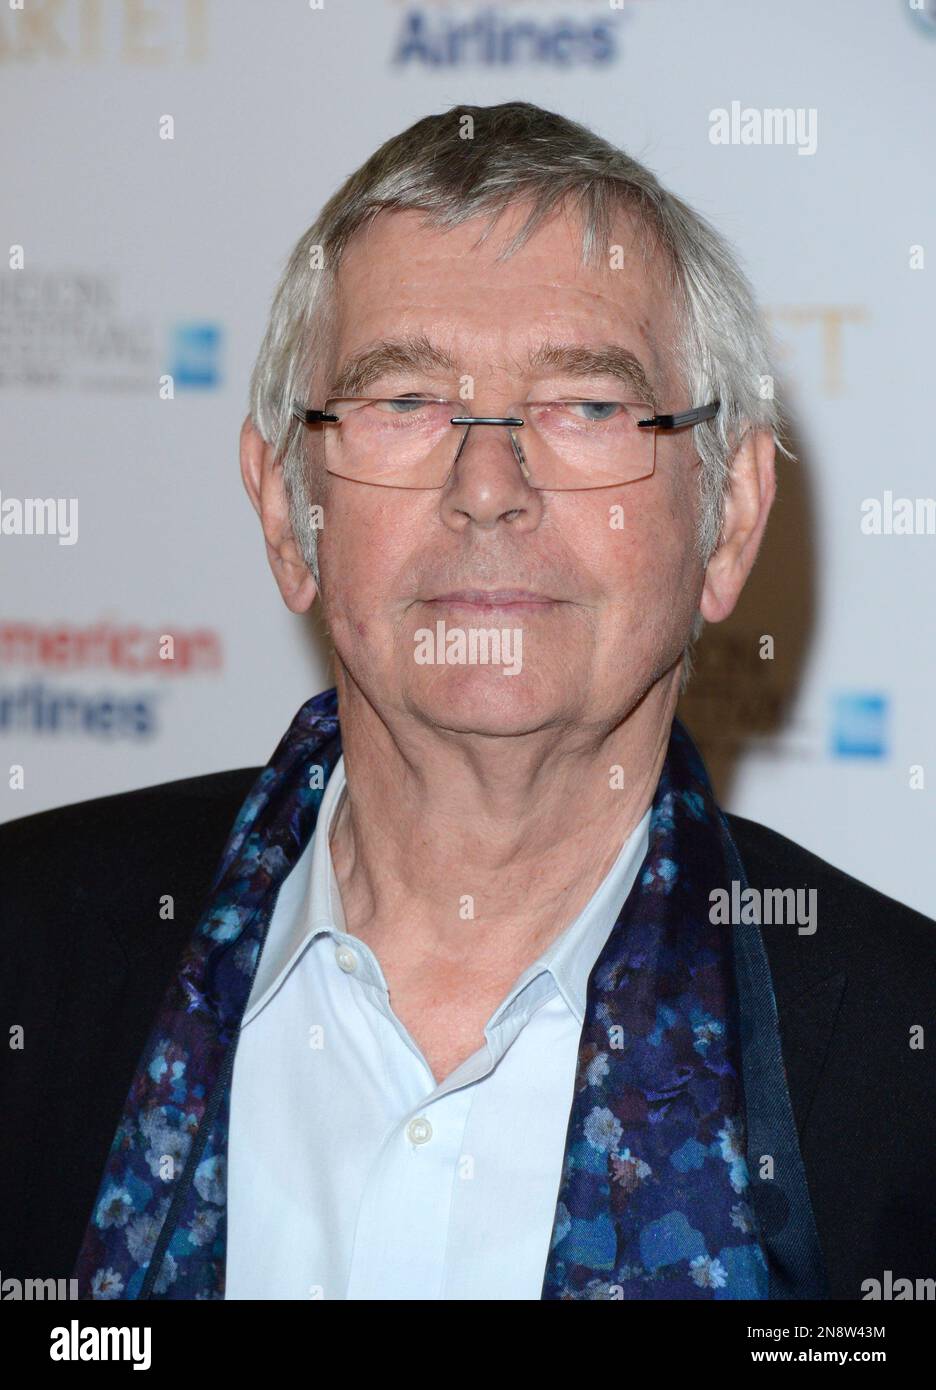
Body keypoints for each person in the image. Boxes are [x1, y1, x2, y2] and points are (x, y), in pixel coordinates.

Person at [2, 101, 933, 1302]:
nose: (487, 486)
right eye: (405, 405)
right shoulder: (28, 959)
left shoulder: (904, 1072)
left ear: (730, 518)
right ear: (289, 513)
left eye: (588, 407)